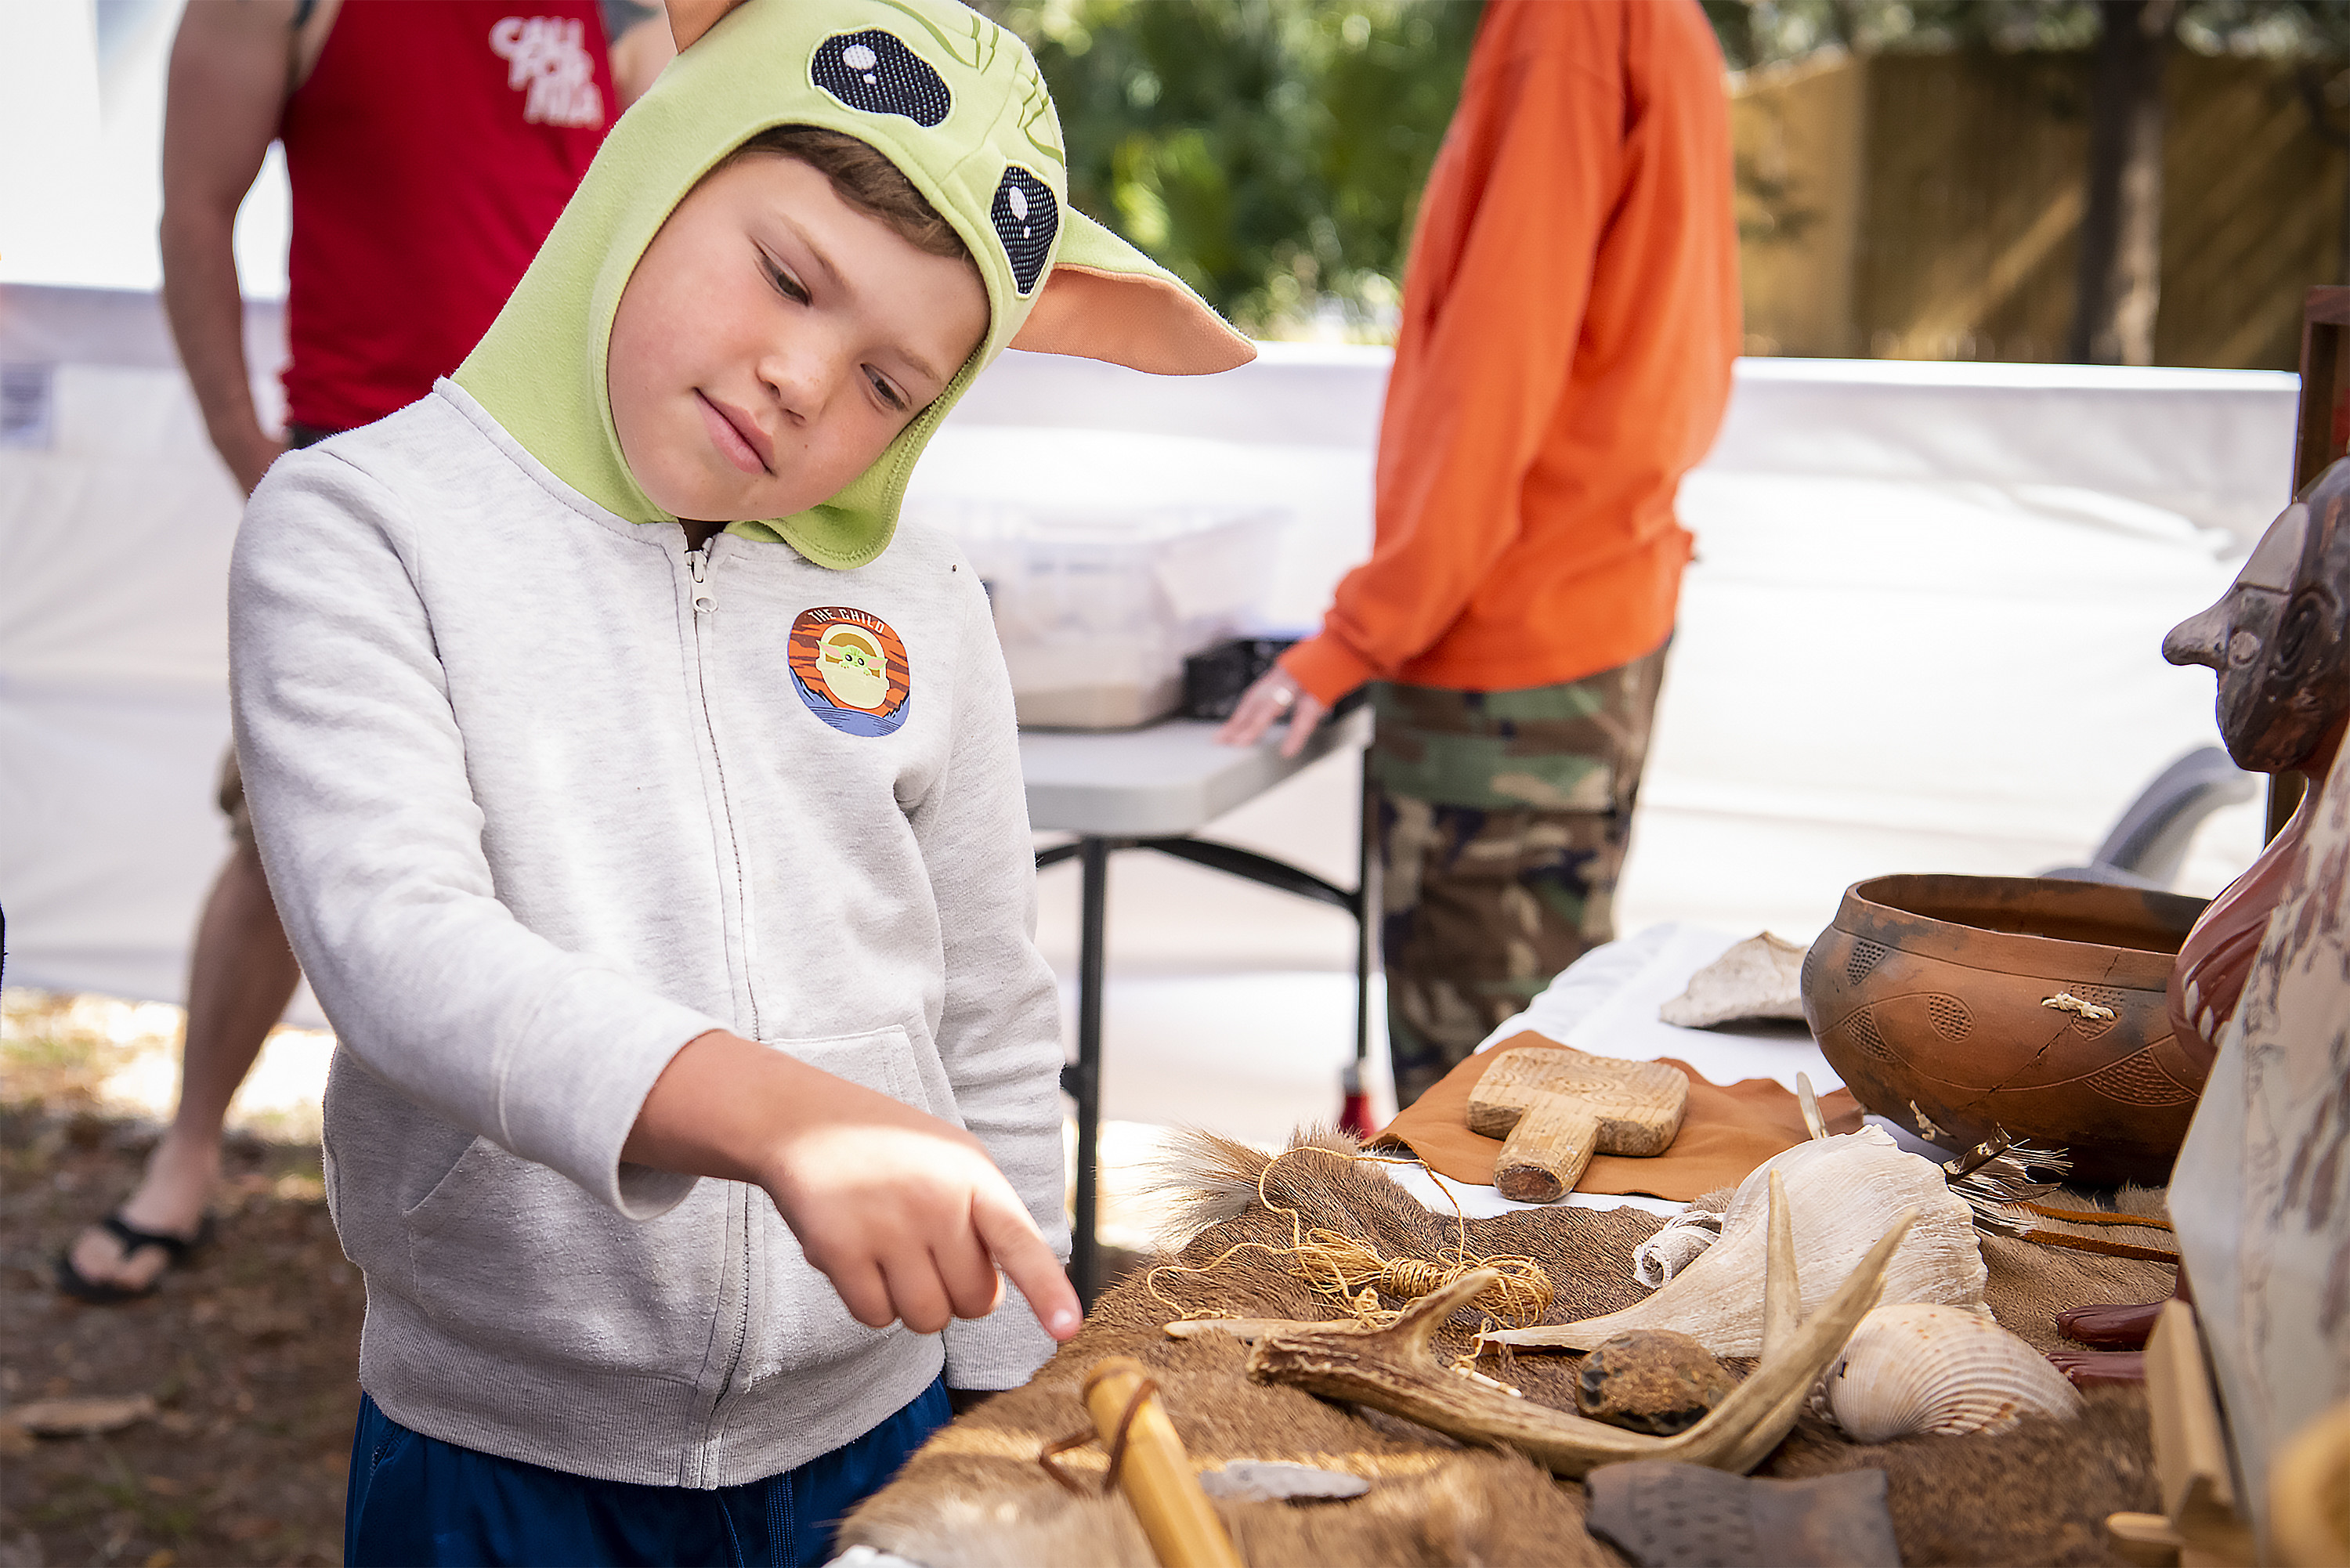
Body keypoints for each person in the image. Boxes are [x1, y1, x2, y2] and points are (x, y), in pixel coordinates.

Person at [229, 0, 1253, 1558]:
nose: (798, 379)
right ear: (659, 159)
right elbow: (397, 943)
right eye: (787, 275)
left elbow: (986, 1006)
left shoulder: (925, 602)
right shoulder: (360, 526)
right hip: (504, 1460)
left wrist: (1012, 1383)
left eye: (888, 386)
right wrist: (776, 1111)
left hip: (882, 1428)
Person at [62, 0, 671, 1301]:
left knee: (574, 846)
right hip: (377, 486)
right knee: (285, 844)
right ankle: (189, 1153)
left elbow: (667, 212)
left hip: (576, 495)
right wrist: (252, 455)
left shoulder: (620, 8)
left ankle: (552, 1201)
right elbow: (191, 213)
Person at [1218, 0, 1741, 1107]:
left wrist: (1358, 634)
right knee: (1544, 1082)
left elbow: (1498, 362)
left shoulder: (1566, 25)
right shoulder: (1663, 24)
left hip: (1504, 650)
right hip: (1600, 603)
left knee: (1488, 1120)